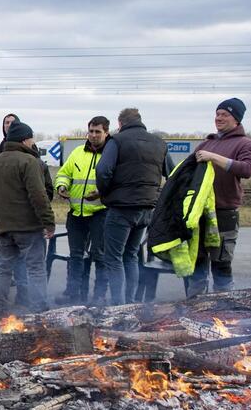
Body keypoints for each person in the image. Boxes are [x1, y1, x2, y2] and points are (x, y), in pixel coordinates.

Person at [185, 98, 251, 296]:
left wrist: (214, 158)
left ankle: (223, 307)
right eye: (217, 114)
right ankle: (195, 306)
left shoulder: (245, 143)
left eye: (224, 114)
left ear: (236, 119)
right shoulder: (207, 143)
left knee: (221, 264)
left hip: (224, 213)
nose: (218, 118)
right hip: (199, 214)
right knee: (197, 263)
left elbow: (248, 169)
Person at [95, 107, 167, 305]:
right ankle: (131, 302)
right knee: (131, 255)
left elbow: (103, 170)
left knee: (113, 258)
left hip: (121, 208)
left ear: (120, 123)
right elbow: (170, 172)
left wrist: (104, 193)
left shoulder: (117, 141)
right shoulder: (159, 143)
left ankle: (118, 305)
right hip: (146, 209)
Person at [0, 121, 55, 314]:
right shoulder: (29, 162)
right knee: (36, 268)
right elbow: (38, 195)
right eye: (31, 139)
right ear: (24, 140)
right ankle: (40, 311)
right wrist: (48, 222)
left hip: (4, 227)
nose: (33, 142)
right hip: (29, 228)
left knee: (3, 267)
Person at [54, 116, 110, 304]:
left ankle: (99, 296)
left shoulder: (111, 155)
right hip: (77, 213)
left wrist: (101, 193)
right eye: (91, 131)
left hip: (100, 213)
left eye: (98, 132)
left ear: (106, 133)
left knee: (100, 256)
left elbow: (117, 182)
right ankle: (72, 293)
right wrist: (61, 186)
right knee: (76, 255)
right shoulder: (77, 152)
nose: (93, 135)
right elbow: (64, 173)